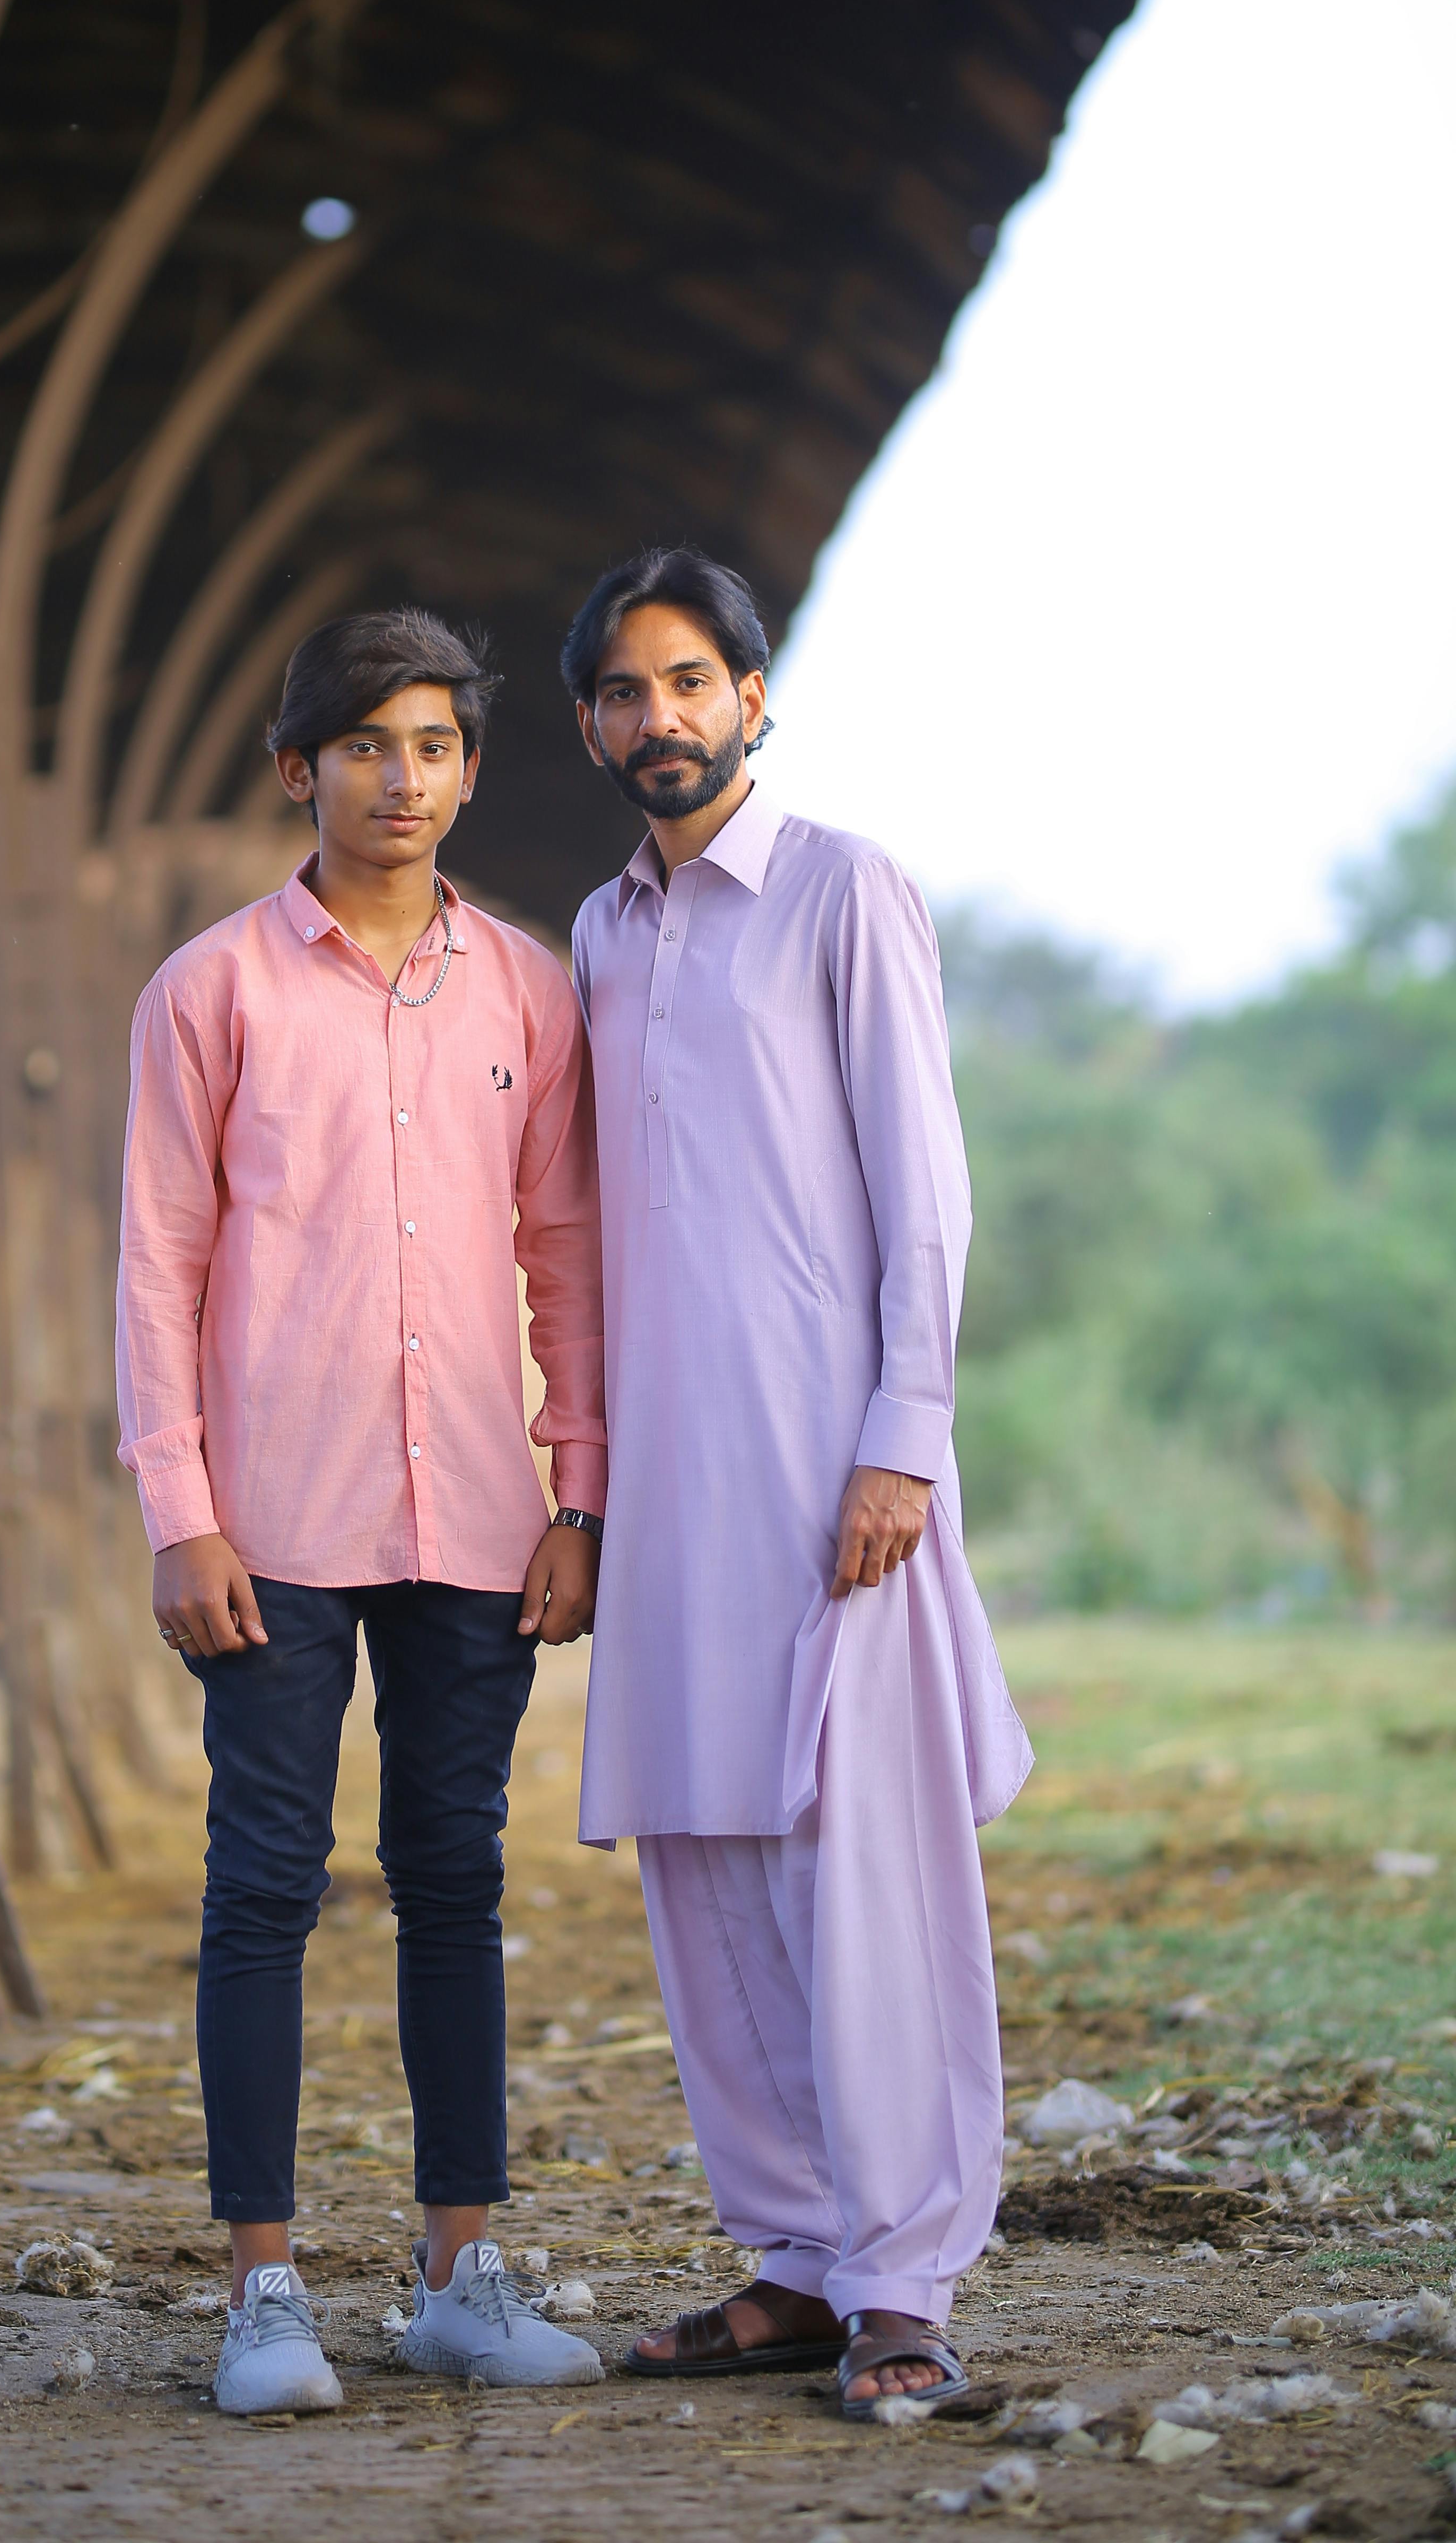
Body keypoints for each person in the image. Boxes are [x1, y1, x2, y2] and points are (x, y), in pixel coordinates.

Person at [115, 606, 610, 2417]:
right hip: (275, 1517)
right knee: (261, 1888)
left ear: (472, 769)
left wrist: (585, 1492)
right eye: (366, 744)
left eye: (433, 744)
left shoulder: (529, 988)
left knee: (455, 1884)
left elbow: (566, 1251)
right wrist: (180, 1508)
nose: (402, 778)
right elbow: (159, 1261)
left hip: (479, 1510)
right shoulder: (214, 988)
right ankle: (262, 2297)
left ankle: (460, 2273)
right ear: (295, 769)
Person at [560, 544, 1032, 2417]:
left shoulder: (847, 891)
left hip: (837, 1464)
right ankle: (796, 2264)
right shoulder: (601, 932)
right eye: (620, 691)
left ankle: (909, 2276)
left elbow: (927, 1190)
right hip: (675, 1483)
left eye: (688, 682)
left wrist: (904, 1435)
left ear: (754, 696)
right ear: (592, 723)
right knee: (709, 1860)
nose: (655, 719)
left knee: (867, 1864)